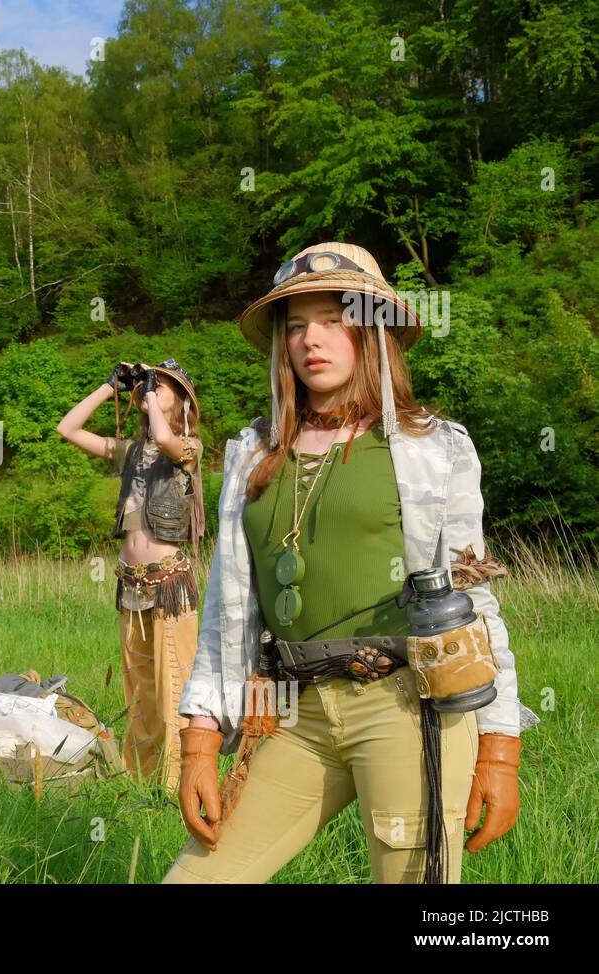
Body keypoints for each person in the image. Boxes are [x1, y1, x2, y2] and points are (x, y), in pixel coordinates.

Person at [163, 241, 536, 884]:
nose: (314, 339)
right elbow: (227, 611)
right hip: (291, 708)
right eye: (298, 324)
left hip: (405, 702)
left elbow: (474, 601)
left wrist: (500, 749)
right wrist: (199, 740)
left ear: (373, 332)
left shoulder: (432, 448)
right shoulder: (253, 453)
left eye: (336, 320)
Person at [57, 359, 205, 790]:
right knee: (138, 690)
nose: (152, 390)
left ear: (183, 401)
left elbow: (164, 436)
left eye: (166, 386)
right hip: (131, 583)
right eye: (150, 384)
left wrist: (154, 391)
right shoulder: (131, 451)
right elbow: (67, 429)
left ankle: (179, 783)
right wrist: (110, 387)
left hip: (168, 583)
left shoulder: (188, 447)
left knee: (173, 685)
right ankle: (138, 778)